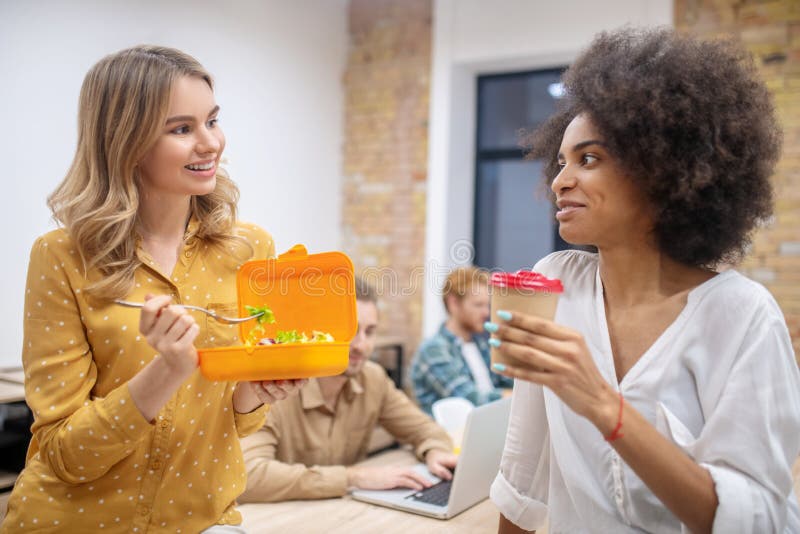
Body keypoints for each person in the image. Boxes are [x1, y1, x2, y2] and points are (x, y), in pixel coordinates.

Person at [486, 28, 800, 533]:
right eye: (561, 162)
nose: (561, 180)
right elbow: (524, 472)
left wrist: (604, 405)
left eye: (589, 159)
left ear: (662, 170)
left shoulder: (742, 316)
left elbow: (756, 519)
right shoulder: (553, 283)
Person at [0, 46, 305, 533]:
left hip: (203, 519)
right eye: (182, 129)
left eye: (213, 120)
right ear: (126, 141)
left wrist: (255, 390)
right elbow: (65, 454)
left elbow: (238, 423)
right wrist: (168, 371)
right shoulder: (61, 256)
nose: (210, 143)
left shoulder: (251, 247)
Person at [239, 277, 458, 503]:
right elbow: (248, 477)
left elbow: (424, 429)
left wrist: (435, 451)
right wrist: (352, 478)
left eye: (370, 332)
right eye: (350, 330)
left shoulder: (373, 378)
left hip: (344, 514)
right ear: (318, 330)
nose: (361, 345)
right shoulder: (274, 389)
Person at [411, 266, 513, 414]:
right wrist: (514, 397)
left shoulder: (481, 345)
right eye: (478, 305)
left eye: (487, 305)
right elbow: (471, 400)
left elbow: (508, 380)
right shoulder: (433, 350)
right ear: (453, 303)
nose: (486, 312)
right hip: (452, 435)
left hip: (488, 426)